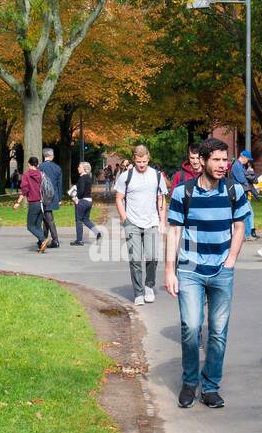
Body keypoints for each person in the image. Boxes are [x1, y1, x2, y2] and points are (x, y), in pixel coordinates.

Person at [164, 137, 251, 408]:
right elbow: (174, 231)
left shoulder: (234, 191)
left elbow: (240, 228)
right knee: (191, 327)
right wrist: (169, 271)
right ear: (201, 161)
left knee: (217, 331)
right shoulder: (183, 192)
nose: (223, 165)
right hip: (189, 269)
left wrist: (231, 260)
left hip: (222, 270)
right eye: (216, 159)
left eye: (225, 160)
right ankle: (190, 382)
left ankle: (211, 386)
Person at [114, 144, 168, 305]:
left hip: (151, 221)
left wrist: (162, 222)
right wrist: (125, 219)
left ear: (148, 159)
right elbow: (118, 198)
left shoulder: (157, 176)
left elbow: (161, 200)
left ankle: (149, 285)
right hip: (132, 222)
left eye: (144, 161)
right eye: (138, 162)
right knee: (135, 259)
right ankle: (138, 293)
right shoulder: (126, 176)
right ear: (134, 160)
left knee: (152, 256)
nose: (142, 165)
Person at [15, 157, 49, 251]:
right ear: (37, 165)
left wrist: (18, 202)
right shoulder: (41, 174)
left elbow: (24, 190)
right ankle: (41, 245)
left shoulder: (27, 175)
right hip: (42, 202)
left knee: (30, 226)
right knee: (37, 226)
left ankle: (43, 239)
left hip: (34, 203)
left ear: (29, 164)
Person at [227, 149, 259, 240]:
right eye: (248, 159)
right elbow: (242, 179)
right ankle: (246, 235)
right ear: (243, 157)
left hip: (241, 192)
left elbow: (245, 178)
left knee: (245, 213)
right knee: (247, 213)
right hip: (239, 192)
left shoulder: (239, 165)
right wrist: (250, 187)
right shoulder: (237, 166)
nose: (248, 161)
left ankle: (245, 234)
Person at [70, 161, 102, 245]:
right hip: (89, 201)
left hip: (83, 202)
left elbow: (80, 191)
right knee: (86, 219)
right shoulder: (88, 177)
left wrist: (75, 198)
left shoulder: (82, 178)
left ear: (84, 168)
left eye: (79, 167)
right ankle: (97, 232)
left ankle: (79, 240)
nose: (78, 168)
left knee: (79, 220)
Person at [38, 148, 63, 249]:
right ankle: (45, 238)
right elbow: (59, 184)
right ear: (51, 156)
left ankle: (54, 239)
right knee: (47, 217)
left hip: (43, 195)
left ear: (44, 155)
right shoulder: (57, 167)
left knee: (48, 217)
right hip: (53, 195)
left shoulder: (40, 167)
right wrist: (59, 198)